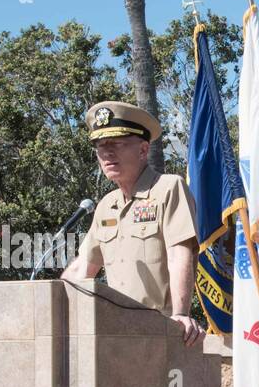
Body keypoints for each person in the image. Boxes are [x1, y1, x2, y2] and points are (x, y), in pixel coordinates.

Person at [61, 100, 204, 346]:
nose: (106, 153)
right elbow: (82, 268)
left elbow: (180, 255)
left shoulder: (168, 188)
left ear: (143, 149)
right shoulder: (107, 205)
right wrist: (49, 302)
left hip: (159, 330)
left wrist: (180, 314)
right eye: (100, 146)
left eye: (115, 143)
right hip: (116, 334)